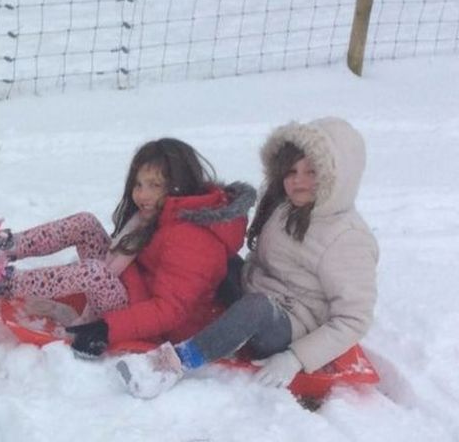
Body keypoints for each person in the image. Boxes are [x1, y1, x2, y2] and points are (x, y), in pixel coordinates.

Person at [114, 118, 379, 399]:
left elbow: (354, 319)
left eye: (312, 172)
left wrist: (296, 358)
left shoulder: (347, 238)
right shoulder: (285, 207)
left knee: (256, 307)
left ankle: (172, 364)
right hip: (256, 295)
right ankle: (161, 307)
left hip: (291, 327)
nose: (298, 181)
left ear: (336, 178)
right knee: (216, 260)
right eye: (291, 171)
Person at [0, 138, 256, 355]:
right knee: (85, 223)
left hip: (158, 326)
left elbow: (170, 312)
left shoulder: (192, 238)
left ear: (179, 186)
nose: (142, 195)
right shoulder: (166, 213)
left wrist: (107, 329)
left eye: (155, 185)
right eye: (139, 184)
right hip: (136, 290)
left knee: (94, 274)